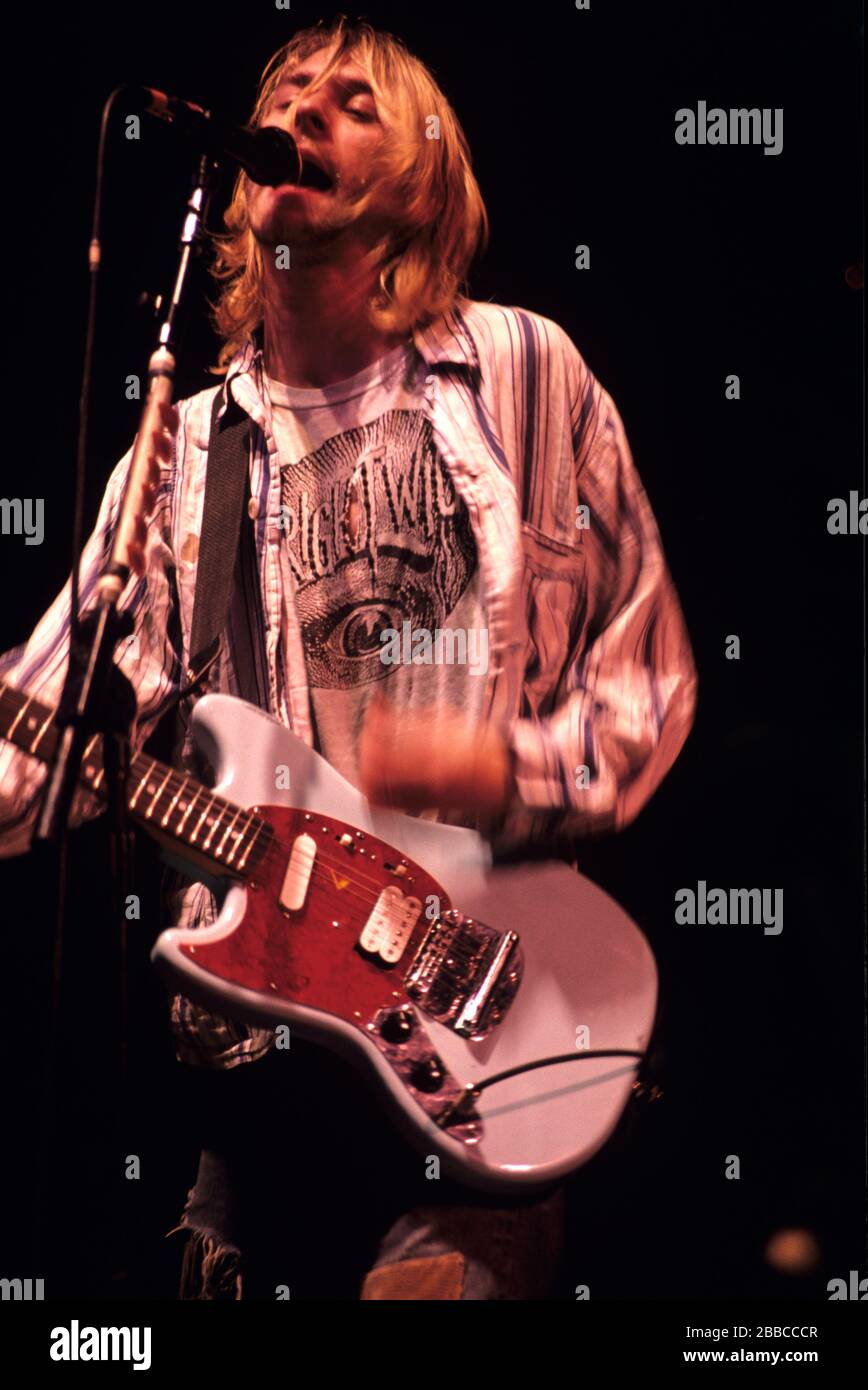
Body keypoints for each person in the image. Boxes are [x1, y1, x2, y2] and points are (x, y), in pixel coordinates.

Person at [0, 15, 697, 1299]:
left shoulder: (523, 374)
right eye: (289, 90)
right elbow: (40, 735)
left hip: (484, 1026)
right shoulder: (179, 452)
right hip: (255, 1085)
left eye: (354, 100)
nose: (306, 108)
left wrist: (501, 768)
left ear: (422, 183)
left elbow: (643, 678)